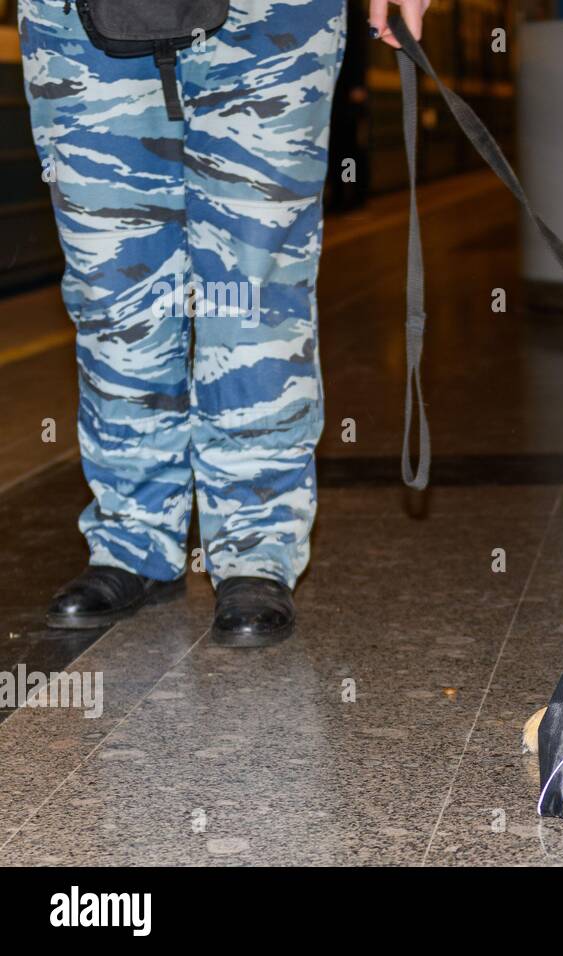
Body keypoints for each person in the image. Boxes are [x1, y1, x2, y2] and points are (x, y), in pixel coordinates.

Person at [21, 0, 429, 645]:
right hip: (81, 20)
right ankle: (133, 542)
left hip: (272, 21)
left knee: (254, 294)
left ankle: (254, 550)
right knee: (113, 294)